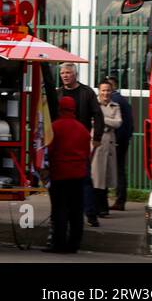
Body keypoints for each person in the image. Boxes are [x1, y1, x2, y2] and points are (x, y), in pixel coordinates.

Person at [45, 95, 91, 254]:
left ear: (60, 109)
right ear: (74, 109)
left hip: (59, 174)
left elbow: (49, 150)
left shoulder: (54, 127)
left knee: (59, 210)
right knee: (76, 210)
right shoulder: (82, 129)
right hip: (78, 174)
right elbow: (87, 152)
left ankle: (58, 244)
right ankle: (74, 244)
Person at [58, 62, 104, 220]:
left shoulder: (86, 92)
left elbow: (98, 115)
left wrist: (97, 137)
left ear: (75, 74)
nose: (65, 75)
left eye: (68, 72)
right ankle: (65, 213)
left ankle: (90, 213)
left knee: (84, 177)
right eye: (62, 73)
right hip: (62, 142)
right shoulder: (58, 93)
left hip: (80, 141)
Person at [89, 81, 123, 226]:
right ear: (99, 91)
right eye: (103, 90)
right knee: (96, 177)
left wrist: (101, 119)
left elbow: (118, 122)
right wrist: (107, 121)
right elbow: (91, 121)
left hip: (109, 144)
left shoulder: (115, 106)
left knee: (105, 177)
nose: (106, 93)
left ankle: (103, 208)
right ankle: (96, 208)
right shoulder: (94, 105)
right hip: (96, 142)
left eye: (108, 90)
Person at [104, 75, 134, 210]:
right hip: (123, 139)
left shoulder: (114, 100)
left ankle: (119, 200)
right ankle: (120, 199)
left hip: (116, 140)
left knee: (116, 169)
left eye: (107, 88)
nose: (105, 91)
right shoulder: (122, 99)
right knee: (120, 168)